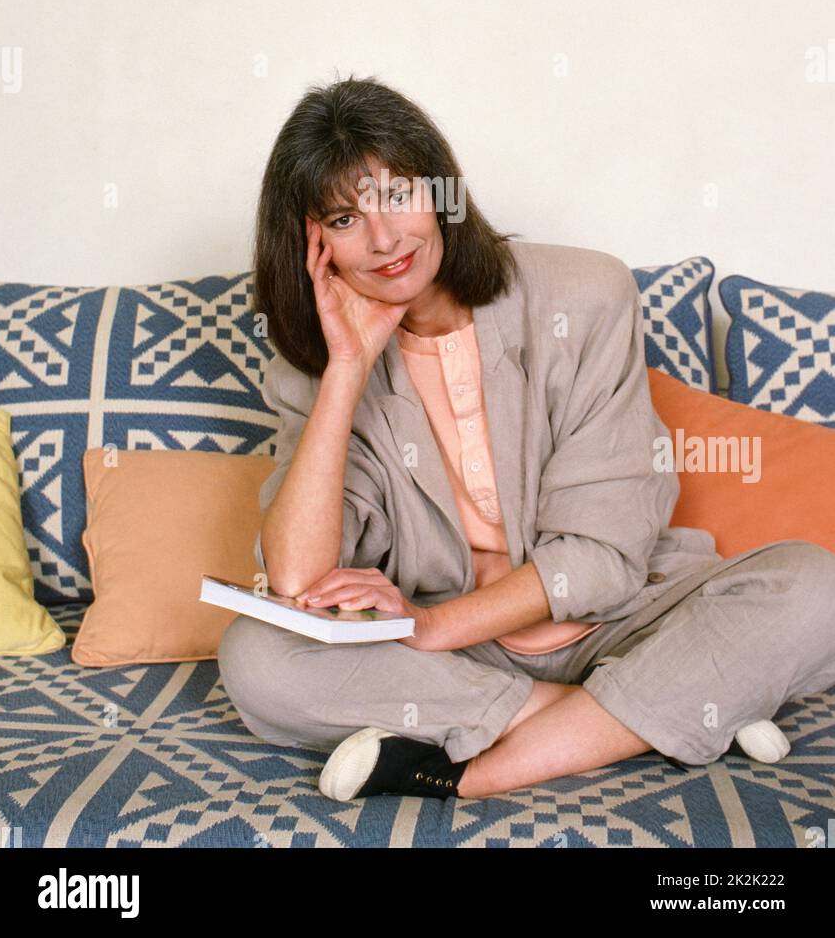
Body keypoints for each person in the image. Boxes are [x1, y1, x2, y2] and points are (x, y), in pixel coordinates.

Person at [217, 74, 835, 801]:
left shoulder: (586, 294)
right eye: (345, 219)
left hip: (621, 619)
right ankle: (645, 718)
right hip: (454, 654)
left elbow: (602, 557)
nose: (384, 240)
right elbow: (296, 580)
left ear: (442, 192)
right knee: (256, 657)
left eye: (397, 196)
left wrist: (432, 626)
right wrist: (345, 371)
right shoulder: (312, 366)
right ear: (311, 244)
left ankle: (465, 773)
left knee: (812, 584)